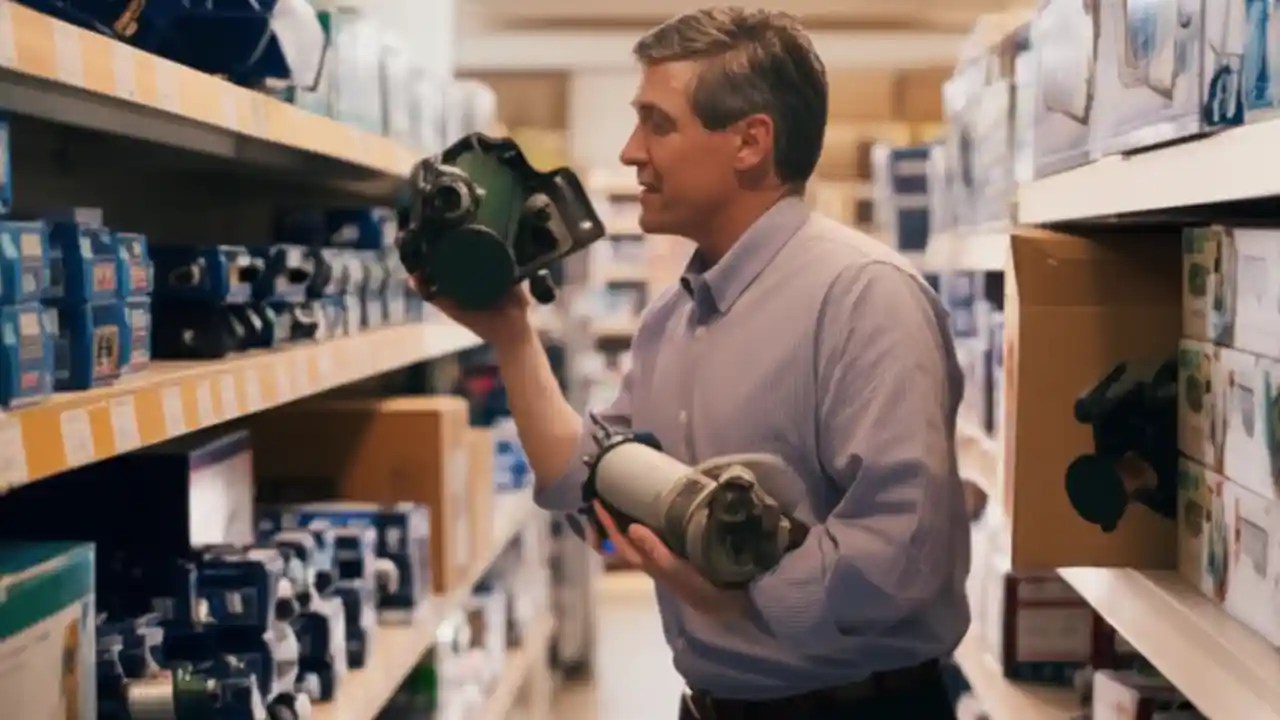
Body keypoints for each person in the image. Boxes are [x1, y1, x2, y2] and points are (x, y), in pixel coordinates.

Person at [430, 7, 970, 720]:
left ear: (750, 142)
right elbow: (588, 474)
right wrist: (510, 334)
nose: (630, 151)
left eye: (658, 123)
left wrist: (733, 592)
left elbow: (904, 547)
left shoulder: (863, 297)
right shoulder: (672, 321)